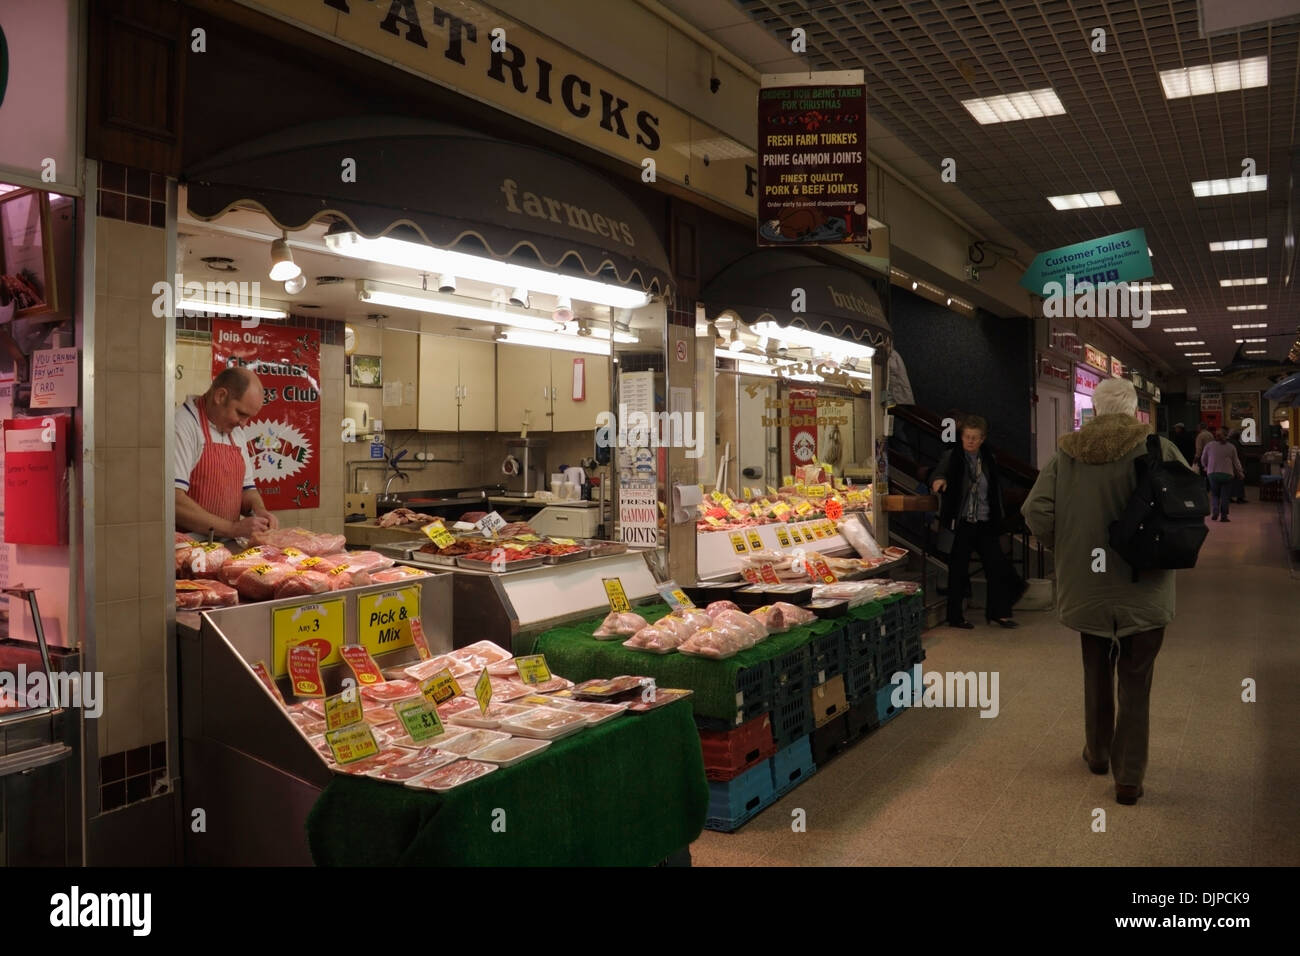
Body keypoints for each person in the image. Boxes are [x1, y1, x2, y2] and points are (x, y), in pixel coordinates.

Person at [1021, 378, 1186, 806]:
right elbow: (1188, 504)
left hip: (1088, 586)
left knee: (1095, 670)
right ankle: (1127, 778)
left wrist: (1070, 549)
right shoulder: (1158, 450)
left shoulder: (1067, 455)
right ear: (1134, 411)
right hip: (1144, 585)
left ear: (1094, 409)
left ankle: (1097, 754)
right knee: (1136, 679)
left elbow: (1035, 509)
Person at [931, 415, 1024, 629]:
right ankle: (955, 617)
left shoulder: (988, 460)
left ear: (982, 439)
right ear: (961, 437)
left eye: (975, 438)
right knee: (958, 569)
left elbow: (993, 490)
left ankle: (999, 613)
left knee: (996, 566)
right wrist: (939, 480)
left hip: (985, 521)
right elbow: (936, 473)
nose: (970, 441)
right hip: (961, 522)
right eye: (967, 437)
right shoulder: (952, 456)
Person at [175, 366, 280, 539]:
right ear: (220, 396)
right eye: (240, 413)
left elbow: (247, 489)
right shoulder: (183, 425)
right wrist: (233, 529)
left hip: (224, 546)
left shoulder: (235, 432)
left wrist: (259, 511)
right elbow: (174, 501)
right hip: (189, 550)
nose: (244, 424)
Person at [1201, 427, 1244, 522]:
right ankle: (1224, 516)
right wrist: (1240, 472)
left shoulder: (1209, 445)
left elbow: (1203, 458)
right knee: (1225, 496)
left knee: (1215, 494)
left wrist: (1205, 466)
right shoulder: (1231, 447)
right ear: (1227, 436)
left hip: (1212, 473)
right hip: (1227, 474)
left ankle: (1215, 512)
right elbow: (1236, 461)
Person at [1228, 427, 1248, 504]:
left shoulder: (1229, 442)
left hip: (1230, 465)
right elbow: (1239, 455)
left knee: (1231, 482)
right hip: (1236, 465)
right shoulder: (1236, 443)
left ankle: (1230, 497)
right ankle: (1240, 498)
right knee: (1239, 481)